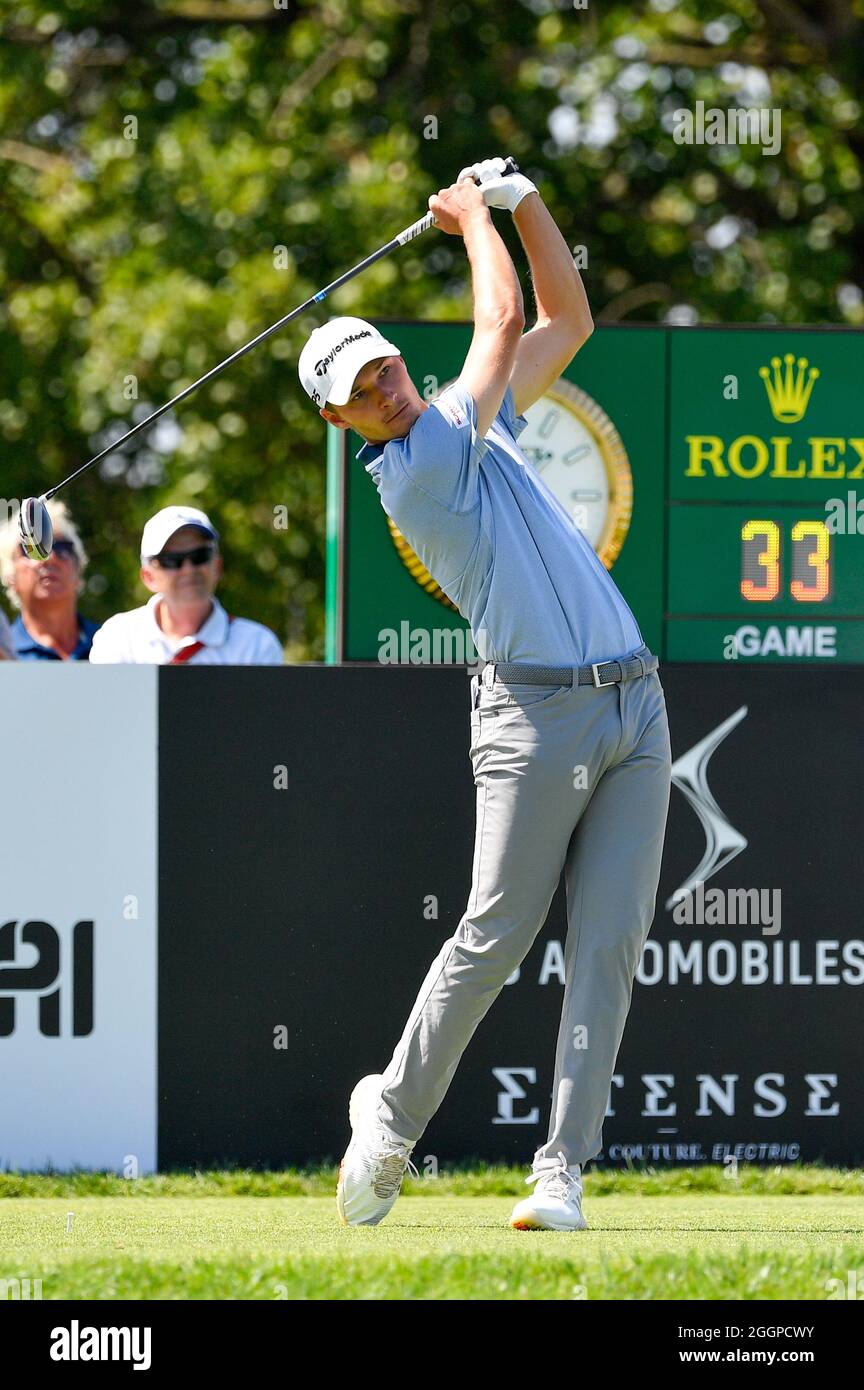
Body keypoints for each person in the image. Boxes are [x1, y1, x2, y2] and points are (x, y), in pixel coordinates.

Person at [299, 157, 672, 1231]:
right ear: (341, 424)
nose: (382, 385)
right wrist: (470, 219)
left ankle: (562, 1172)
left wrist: (524, 204)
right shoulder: (417, 470)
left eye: (380, 366)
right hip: (535, 714)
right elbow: (502, 315)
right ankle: (393, 1121)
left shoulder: (475, 424)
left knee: (607, 943)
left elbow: (569, 315)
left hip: (634, 704)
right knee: (498, 933)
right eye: (358, 391)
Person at [89, 505, 283, 665]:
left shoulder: (257, 644)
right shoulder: (118, 638)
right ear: (148, 576)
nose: (188, 569)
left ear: (217, 565)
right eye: (172, 560)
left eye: (200, 556)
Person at [0, 500, 100, 660]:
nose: (50, 557)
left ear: (79, 572)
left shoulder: (113, 644)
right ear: (10, 576)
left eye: (62, 548)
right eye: (31, 548)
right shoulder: (4, 652)